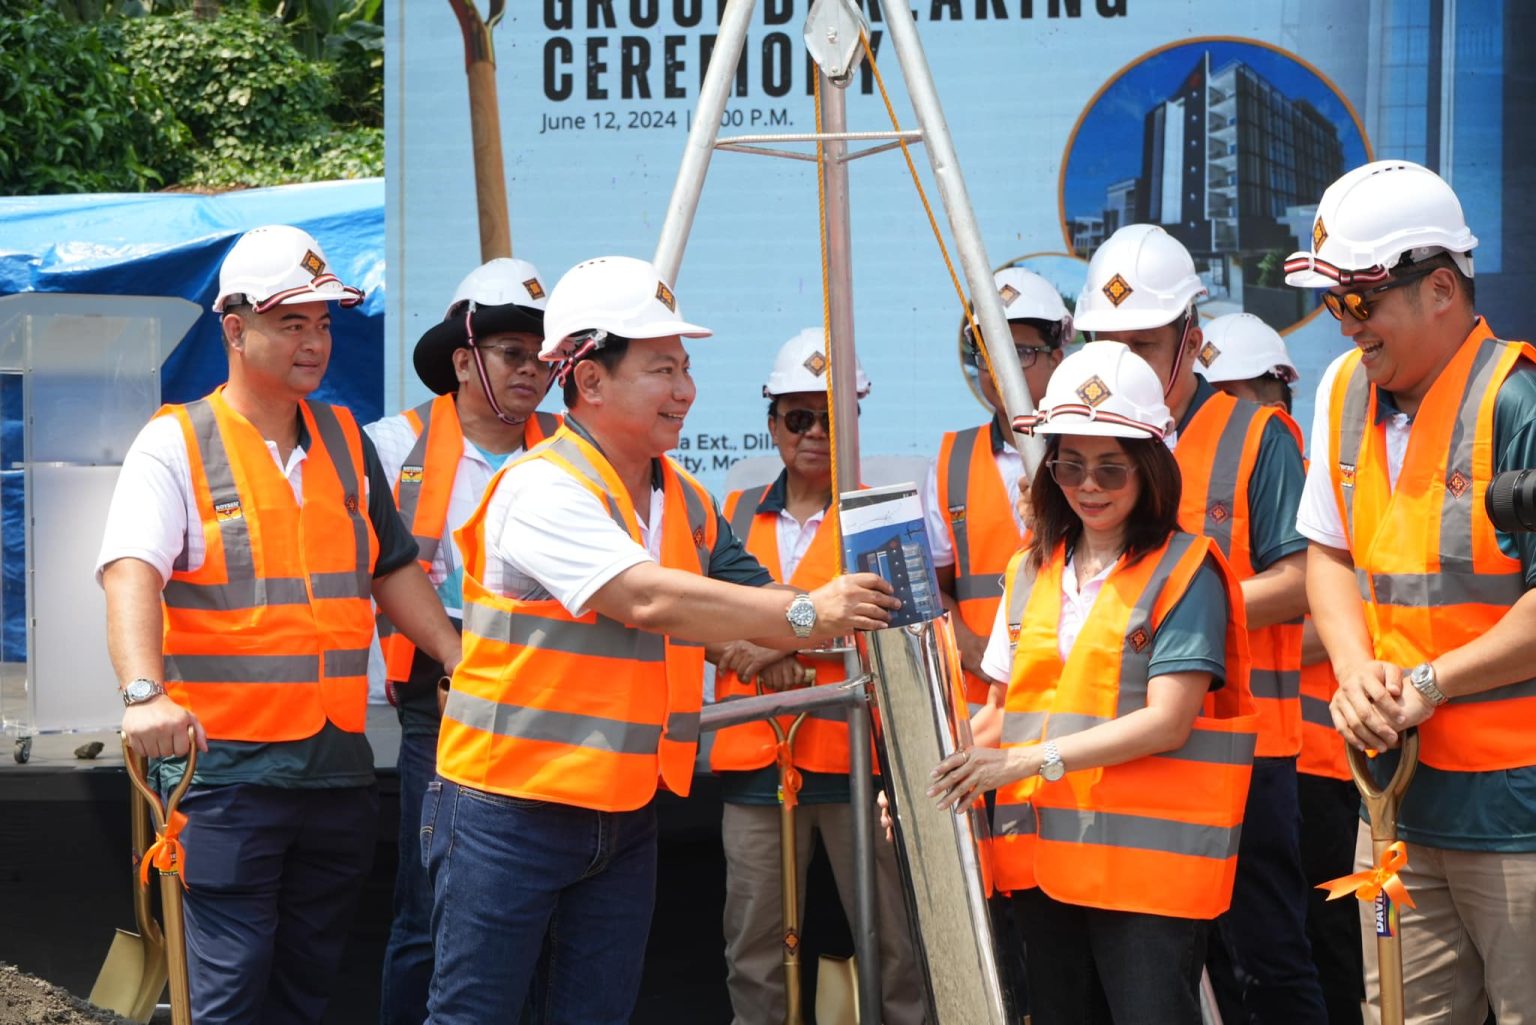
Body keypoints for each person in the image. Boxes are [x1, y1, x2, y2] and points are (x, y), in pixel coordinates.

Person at [425, 256, 901, 1025]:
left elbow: (750, 598)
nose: (685, 390)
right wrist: (808, 616)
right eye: (661, 368)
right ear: (589, 380)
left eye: (685, 367)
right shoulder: (541, 486)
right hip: (509, 809)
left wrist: (782, 627)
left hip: (624, 810)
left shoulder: (683, 495)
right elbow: (644, 597)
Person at [97, 225, 463, 1025]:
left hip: (336, 770)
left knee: (304, 992)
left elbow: (391, 565)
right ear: (234, 328)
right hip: (224, 776)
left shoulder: (343, 440)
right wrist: (142, 692)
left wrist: (455, 655)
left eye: (325, 322)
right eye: (292, 322)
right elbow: (130, 569)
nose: (315, 340)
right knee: (227, 997)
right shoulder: (176, 442)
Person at [928, 341, 1258, 1025]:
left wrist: (1030, 760)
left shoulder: (1187, 569)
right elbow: (1003, 709)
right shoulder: (1031, 569)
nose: (1089, 485)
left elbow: (1170, 719)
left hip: (1150, 883)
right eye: (1070, 465)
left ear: (1150, 468)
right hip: (1048, 864)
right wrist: (927, 781)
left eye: (1111, 467)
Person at [1288, 159, 1536, 1024]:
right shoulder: (1341, 390)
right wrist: (1356, 675)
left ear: (1440, 287)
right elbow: (1327, 553)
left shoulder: (1519, 402)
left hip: (1516, 812)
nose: (1345, 325)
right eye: (1332, 302)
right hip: (1392, 796)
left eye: (1359, 301)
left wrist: (1426, 686)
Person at [1073, 224, 1326, 1024]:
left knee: (1267, 970)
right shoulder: (1080, 448)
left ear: (1193, 339)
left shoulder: (1257, 436)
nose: (1124, 364)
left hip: (1243, 755)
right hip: (1127, 754)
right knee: (1160, 985)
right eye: (1105, 342)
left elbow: (1305, 579)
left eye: (1145, 345)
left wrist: (1183, 615)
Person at [711, 328, 924, 1025]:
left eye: (832, 416)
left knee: (892, 942)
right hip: (752, 758)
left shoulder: (883, 515)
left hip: (856, 759)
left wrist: (769, 649)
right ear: (772, 423)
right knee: (755, 947)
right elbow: (696, 615)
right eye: (798, 417)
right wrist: (759, 646)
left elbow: (899, 635)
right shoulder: (733, 512)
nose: (815, 433)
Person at [366, 257, 560, 1025]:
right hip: (439, 707)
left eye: (545, 356)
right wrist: (455, 657)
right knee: (429, 909)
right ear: (463, 359)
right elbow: (384, 571)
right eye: (515, 353)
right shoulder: (390, 447)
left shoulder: (573, 450)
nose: (535, 371)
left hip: (549, 707)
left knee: (535, 911)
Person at [1197, 313, 1363, 1024]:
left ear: (1279, 394)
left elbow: (1331, 616)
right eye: (1219, 393)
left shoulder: (1322, 481)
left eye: (1242, 393)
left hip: (1318, 759)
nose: (1228, 414)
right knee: (1248, 959)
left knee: (1318, 951)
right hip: (1256, 749)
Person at [926, 266, 1071, 709]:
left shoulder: (1094, 454)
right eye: (987, 352)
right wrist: (969, 646)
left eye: (1020, 351)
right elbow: (935, 581)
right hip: (981, 707)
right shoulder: (953, 458)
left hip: (1074, 696)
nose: (1001, 367)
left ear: (1057, 358)